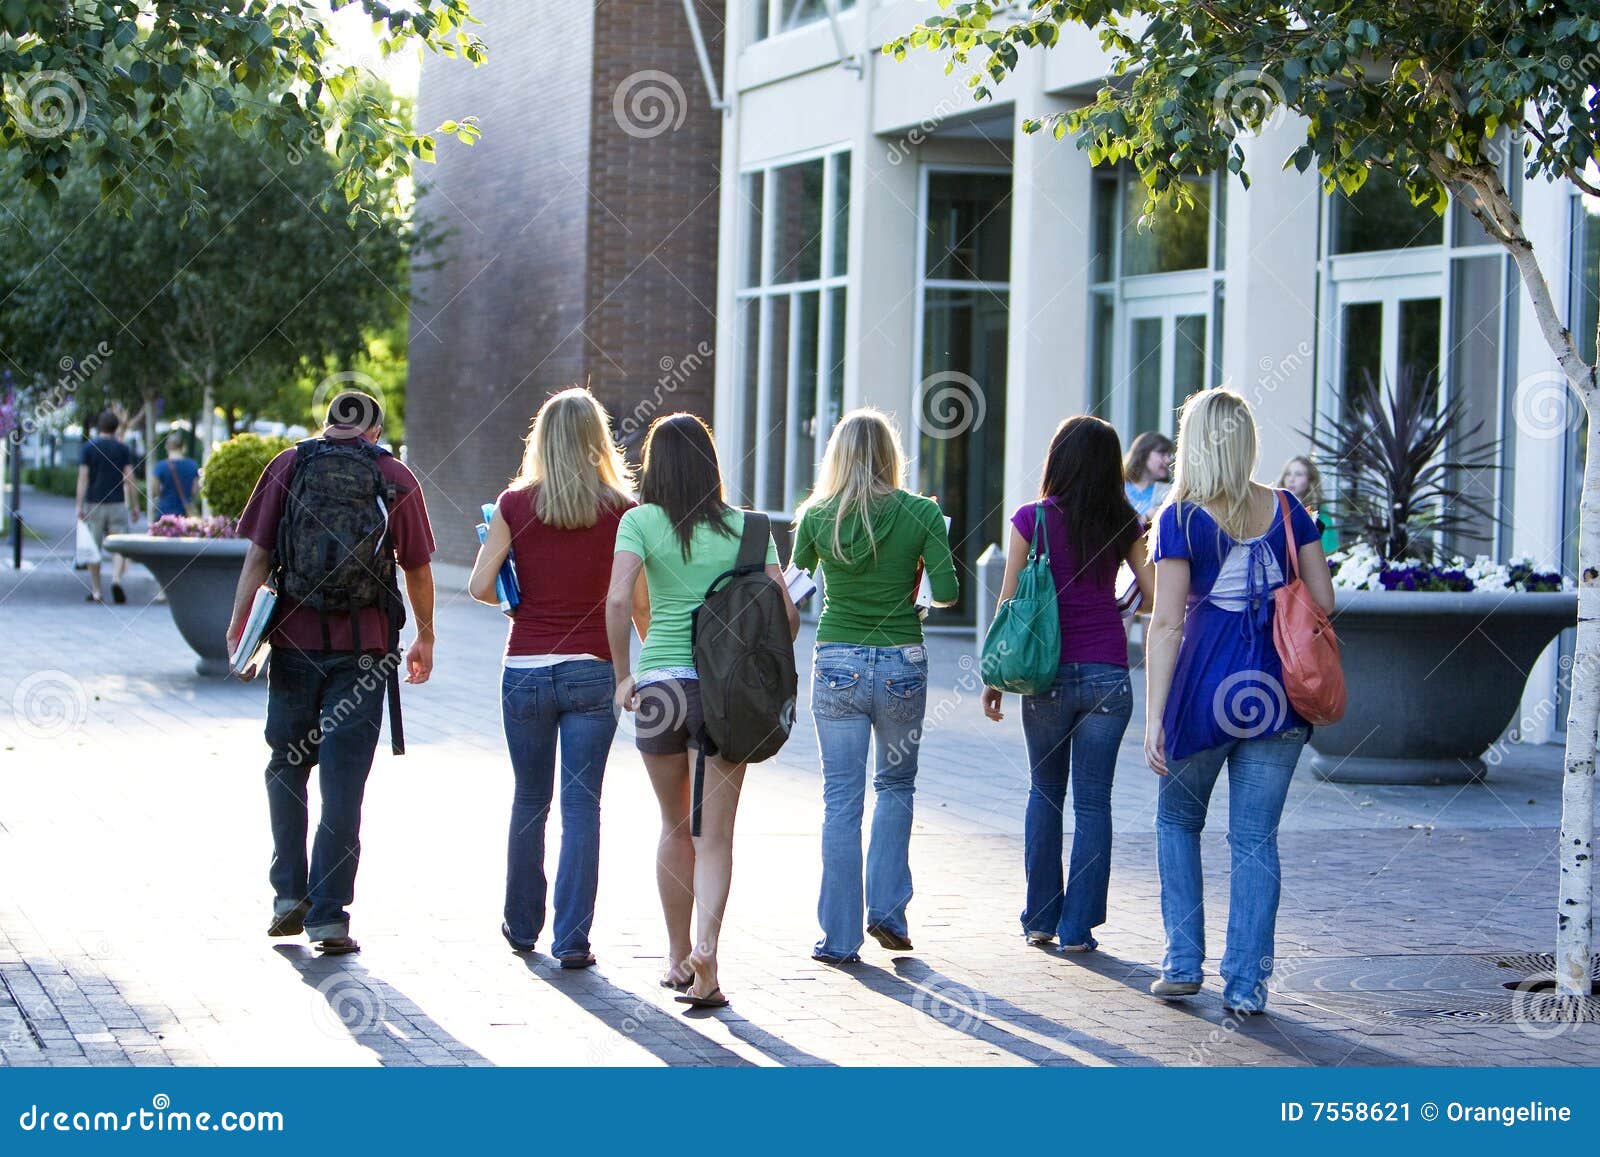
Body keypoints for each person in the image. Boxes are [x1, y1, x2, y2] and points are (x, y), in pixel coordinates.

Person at [1143, 390, 1335, 1014]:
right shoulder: (1287, 509)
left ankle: (1181, 963)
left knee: (1178, 821)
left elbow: (1167, 623)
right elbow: (1324, 601)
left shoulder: (1181, 517)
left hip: (1202, 692)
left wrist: (1154, 717)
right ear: (1248, 440)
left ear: (1194, 442)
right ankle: (1247, 985)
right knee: (1255, 839)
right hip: (1278, 694)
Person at [226, 391, 437, 956]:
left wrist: (238, 626)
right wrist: (426, 634)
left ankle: (286, 897)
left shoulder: (289, 465)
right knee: (344, 781)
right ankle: (328, 917)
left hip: (295, 644)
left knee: (287, 766)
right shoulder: (394, 477)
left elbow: (258, 555)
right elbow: (417, 566)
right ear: (374, 431)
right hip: (365, 652)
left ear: (326, 425)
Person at [605, 413, 799, 1008]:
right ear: (713, 465)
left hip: (661, 688)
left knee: (672, 826)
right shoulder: (750, 528)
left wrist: (622, 676)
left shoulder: (638, 521)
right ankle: (708, 954)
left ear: (654, 466)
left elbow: (617, 599)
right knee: (714, 835)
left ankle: (674, 957)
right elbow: (786, 618)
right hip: (727, 696)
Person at [469, 388, 637, 969]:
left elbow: (478, 587)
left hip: (526, 671)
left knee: (530, 800)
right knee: (582, 806)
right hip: (595, 673)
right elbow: (633, 601)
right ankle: (572, 941)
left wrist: (518, 599)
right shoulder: (621, 509)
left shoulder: (514, 505)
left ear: (541, 438)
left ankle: (521, 927)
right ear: (599, 441)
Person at [982, 417, 1154, 954]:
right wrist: (1117, 604)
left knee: (1046, 793)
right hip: (1107, 673)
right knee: (1095, 802)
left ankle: (1040, 919)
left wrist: (995, 677)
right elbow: (1151, 597)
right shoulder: (1124, 521)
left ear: (1058, 460)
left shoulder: (1030, 520)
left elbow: (1010, 600)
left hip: (1046, 675)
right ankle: (1079, 930)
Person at [791, 409, 957, 963]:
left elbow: (795, 591)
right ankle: (887, 909)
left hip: (837, 656)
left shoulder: (817, 516)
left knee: (840, 799)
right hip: (903, 662)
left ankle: (839, 938)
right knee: (896, 785)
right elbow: (949, 591)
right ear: (891, 455)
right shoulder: (922, 513)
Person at [76, 410, 140, 604]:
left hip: (94, 503)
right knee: (119, 545)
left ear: (99, 427)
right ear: (116, 427)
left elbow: (83, 478)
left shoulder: (88, 448)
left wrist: (79, 505)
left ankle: (96, 591)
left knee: (93, 547)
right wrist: (136, 505)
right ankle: (116, 579)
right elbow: (129, 478)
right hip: (118, 503)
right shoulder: (122, 449)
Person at [1278, 454, 1337, 554]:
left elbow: (1329, 552)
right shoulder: (1274, 506)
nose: (1291, 479)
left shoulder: (1320, 513)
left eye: (1298, 474)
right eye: (1288, 474)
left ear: (1310, 479)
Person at [1122, 431, 1174, 521]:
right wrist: (1147, 517)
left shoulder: (1169, 492)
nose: (1168, 460)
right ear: (1143, 454)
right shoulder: (1119, 488)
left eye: (1169, 455)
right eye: (1162, 453)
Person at [151, 432, 200, 520]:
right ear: (183, 447)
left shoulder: (160, 466)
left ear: (167, 447)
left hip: (164, 512)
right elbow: (195, 490)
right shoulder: (192, 465)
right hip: (185, 513)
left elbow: (155, 490)